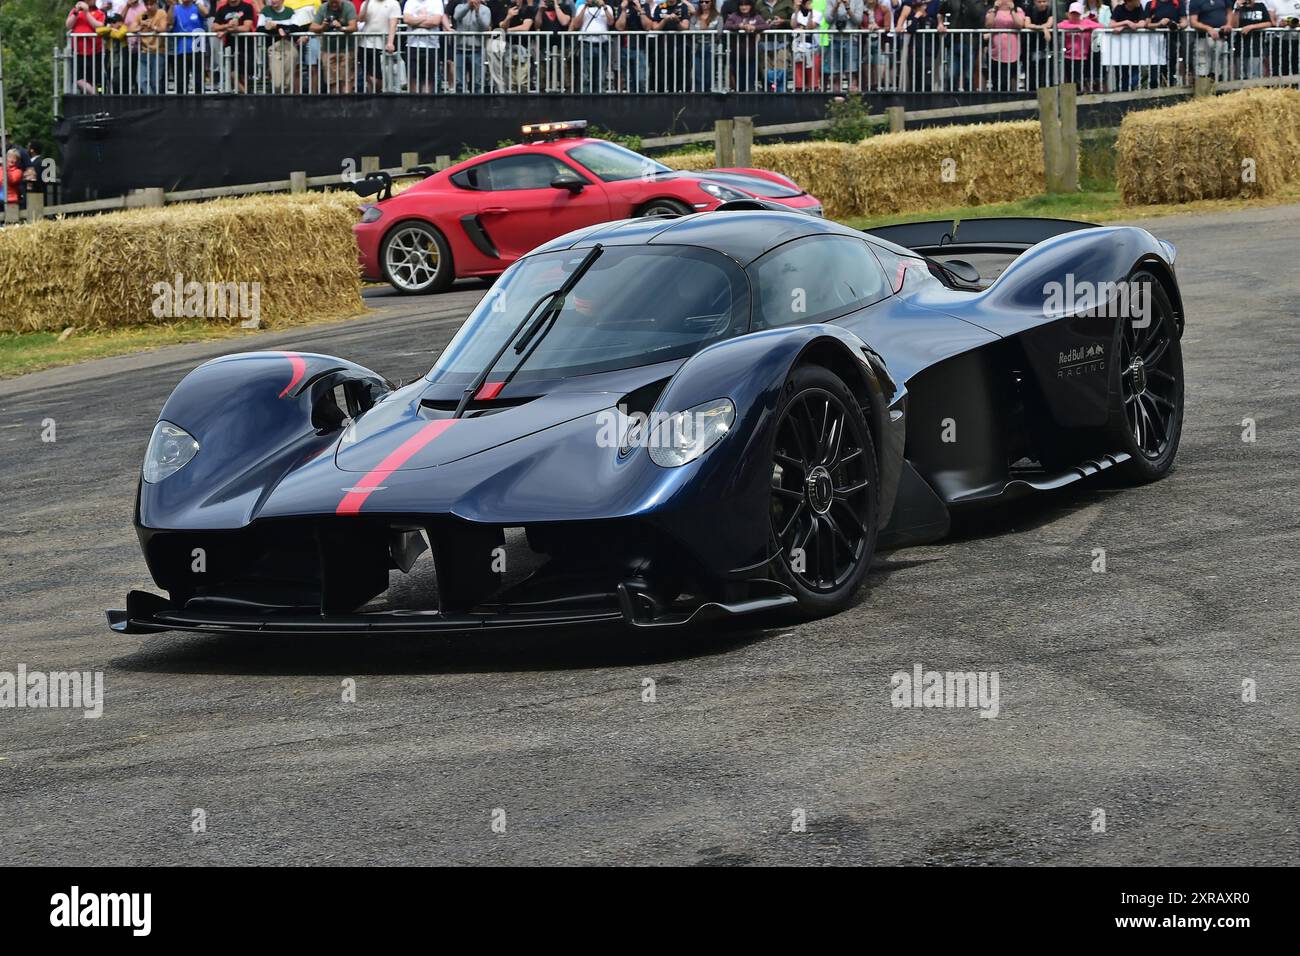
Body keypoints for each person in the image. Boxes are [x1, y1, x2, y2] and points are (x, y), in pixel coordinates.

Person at [895, 0, 943, 91]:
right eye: (915, 8)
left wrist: (933, 52)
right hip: (915, 54)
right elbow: (910, 29)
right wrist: (916, 17)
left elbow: (936, 37)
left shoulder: (931, 20)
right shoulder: (915, 19)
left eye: (919, 7)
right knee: (915, 80)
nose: (917, 10)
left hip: (928, 55)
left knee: (927, 81)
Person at [311, 0, 359, 92]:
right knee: (331, 80)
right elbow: (312, 27)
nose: (334, 4)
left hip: (347, 48)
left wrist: (341, 28)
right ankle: (335, 103)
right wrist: (322, 27)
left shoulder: (348, 6)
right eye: (331, 2)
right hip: (328, 49)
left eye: (336, 2)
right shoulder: (323, 7)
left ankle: (346, 103)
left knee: (347, 78)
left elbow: (353, 27)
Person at [527, 0, 573, 93]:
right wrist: (540, 11)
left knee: (565, 75)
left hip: (562, 46)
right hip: (544, 47)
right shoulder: (538, 9)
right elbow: (537, 26)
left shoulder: (565, 7)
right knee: (542, 75)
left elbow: (564, 22)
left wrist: (556, 6)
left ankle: (567, 97)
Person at [404, 0, 450, 92]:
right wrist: (426, 18)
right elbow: (407, 20)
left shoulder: (436, 2)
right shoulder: (410, 2)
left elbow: (435, 21)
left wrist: (416, 21)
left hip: (431, 46)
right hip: (412, 45)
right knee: (413, 77)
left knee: (429, 78)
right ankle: (414, 103)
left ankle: (427, 103)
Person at [212, 0, 258, 92]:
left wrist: (226, 31)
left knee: (243, 75)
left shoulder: (247, 7)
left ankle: (246, 96)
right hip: (230, 46)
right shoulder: (222, 9)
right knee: (231, 73)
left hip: (246, 45)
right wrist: (228, 26)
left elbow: (246, 28)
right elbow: (214, 27)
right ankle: (247, 96)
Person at [357, 0, 402, 92]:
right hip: (364, 44)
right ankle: (370, 100)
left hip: (381, 46)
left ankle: (377, 95)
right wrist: (366, 4)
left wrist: (390, 42)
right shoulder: (367, 3)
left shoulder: (393, 3)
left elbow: (393, 24)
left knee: (378, 80)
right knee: (368, 76)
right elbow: (360, 19)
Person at [260, 0, 304, 92]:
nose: (273, 1)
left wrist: (277, 26)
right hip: (274, 47)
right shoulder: (265, 11)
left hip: (290, 46)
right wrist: (280, 30)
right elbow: (260, 28)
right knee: (277, 83)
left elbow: (295, 28)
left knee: (288, 82)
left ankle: (288, 104)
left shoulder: (290, 11)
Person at [571, 0, 615, 91]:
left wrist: (604, 7)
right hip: (586, 44)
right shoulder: (581, 8)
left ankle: (599, 101)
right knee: (585, 77)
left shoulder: (607, 8)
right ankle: (585, 99)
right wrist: (585, 7)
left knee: (600, 77)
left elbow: (611, 22)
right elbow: (576, 24)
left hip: (602, 45)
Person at [725, 0, 767, 90]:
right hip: (737, 53)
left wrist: (754, 27)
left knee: (751, 78)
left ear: (751, 6)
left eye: (746, 5)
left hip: (752, 53)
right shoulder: (734, 16)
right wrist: (739, 26)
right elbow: (727, 25)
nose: (744, 7)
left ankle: (750, 97)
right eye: (741, 5)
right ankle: (739, 97)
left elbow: (765, 26)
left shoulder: (756, 16)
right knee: (739, 79)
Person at [652, 0, 694, 91]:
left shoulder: (683, 7)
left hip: (680, 47)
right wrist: (665, 20)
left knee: (680, 74)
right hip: (663, 47)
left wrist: (677, 21)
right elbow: (655, 27)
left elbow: (685, 27)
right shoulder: (660, 7)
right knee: (662, 75)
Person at [985, 0, 1026, 91]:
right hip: (996, 49)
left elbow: (1020, 24)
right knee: (996, 79)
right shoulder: (992, 11)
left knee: (1009, 77)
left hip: (1012, 49)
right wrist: (995, 9)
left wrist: (1012, 10)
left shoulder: (1018, 10)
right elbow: (988, 25)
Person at [67, 2, 108, 94]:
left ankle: (100, 93)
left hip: (95, 52)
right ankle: (95, 95)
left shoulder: (100, 13)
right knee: (78, 79)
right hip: (79, 53)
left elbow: (99, 25)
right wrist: (76, 12)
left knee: (98, 80)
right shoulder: (75, 12)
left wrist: (86, 12)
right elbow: (68, 25)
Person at [170, 0, 209, 94]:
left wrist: (196, 2)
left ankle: (199, 104)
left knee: (198, 81)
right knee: (181, 82)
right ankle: (181, 105)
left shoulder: (198, 7)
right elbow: (169, 22)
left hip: (198, 49)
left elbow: (206, 13)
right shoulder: (175, 8)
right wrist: (172, 6)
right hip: (181, 49)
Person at [823, 0, 863, 92]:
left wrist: (847, 7)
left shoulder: (858, 1)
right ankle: (836, 103)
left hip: (851, 40)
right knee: (834, 75)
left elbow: (858, 20)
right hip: (834, 40)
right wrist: (836, 6)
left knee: (851, 73)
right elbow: (828, 19)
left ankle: (853, 103)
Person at [453, 0, 492, 91]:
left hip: (477, 50)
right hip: (460, 49)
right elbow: (456, 16)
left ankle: (478, 104)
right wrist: (468, 7)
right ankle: (459, 104)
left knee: (478, 83)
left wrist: (477, 13)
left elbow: (485, 26)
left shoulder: (485, 10)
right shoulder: (459, 7)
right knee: (459, 82)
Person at [615, 0, 654, 92]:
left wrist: (640, 10)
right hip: (624, 47)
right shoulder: (623, 5)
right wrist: (624, 10)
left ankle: (642, 103)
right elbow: (619, 27)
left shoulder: (644, 5)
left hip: (640, 47)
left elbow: (648, 27)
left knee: (641, 80)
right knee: (629, 80)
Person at [1146, 0, 1186, 85]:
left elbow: (1184, 22)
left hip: (1172, 40)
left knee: (1170, 67)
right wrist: (1159, 24)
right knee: (1155, 71)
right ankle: (1154, 92)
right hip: (1155, 43)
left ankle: (1170, 89)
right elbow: (1147, 24)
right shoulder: (1151, 4)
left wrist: (1175, 25)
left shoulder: (1178, 3)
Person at [1190, 0, 1233, 79]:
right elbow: (1193, 22)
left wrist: (1228, 24)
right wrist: (1208, 28)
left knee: (1218, 66)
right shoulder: (1195, 1)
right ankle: (1203, 89)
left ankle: (1218, 89)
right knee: (1202, 65)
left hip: (1221, 38)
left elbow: (1229, 12)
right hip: (1203, 38)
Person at [1231, 0, 1274, 77]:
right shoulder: (1239, 8)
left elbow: (1268, 23)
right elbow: (1234, 26)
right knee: (1240, 74)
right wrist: (1237, 9)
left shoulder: (1260, 6)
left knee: (1254, 74)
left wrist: (1252, 27)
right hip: (1240, 46)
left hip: (1256, 46)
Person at [688, 0, 723, 91]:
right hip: (697, 47)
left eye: (706, 1)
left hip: (711, 47)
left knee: (709, 73)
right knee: (697, 73)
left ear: (712, 2)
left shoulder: (718, 17)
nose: (704, 4)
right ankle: (699, 93)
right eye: (701, 2)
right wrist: (706, 31)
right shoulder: (695, 17)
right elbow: (691, 31)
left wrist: (704, 30)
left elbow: (719, 32)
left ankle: (708, 93)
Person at [287, 0, 322, 91]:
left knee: (313, 66)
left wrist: (306, 35)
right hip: (293, 37)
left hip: (312, 36)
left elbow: (318, 20)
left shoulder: (316, 1)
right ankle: (297, 96)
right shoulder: (285, 1)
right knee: (296, 67)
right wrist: (296, 37)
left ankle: (314, 96)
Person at [1022, 0, 1053, 91]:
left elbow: (1049, 23)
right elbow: (1027, 24)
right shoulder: (1029, 9)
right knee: (1032, 72)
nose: (1042, 4)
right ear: (1034, 2)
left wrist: (1042, 27)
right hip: (1031, 45)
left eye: (1044, 1)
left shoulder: (1050, 9)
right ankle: (1031, 93)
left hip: (1046, 45)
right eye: (1039, 2)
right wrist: (1043, 28)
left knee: (1047, 71)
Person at [790, 0, 821, 89]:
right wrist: (796, 10)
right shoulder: (796, 14)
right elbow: (793, 25)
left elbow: (810, 27)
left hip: (813, 49)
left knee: (812, 75)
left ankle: (813, 93)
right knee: (798, 77)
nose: (809, 4)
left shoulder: (817, 13)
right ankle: (799, 93)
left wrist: (811, 12)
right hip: (799, 49)